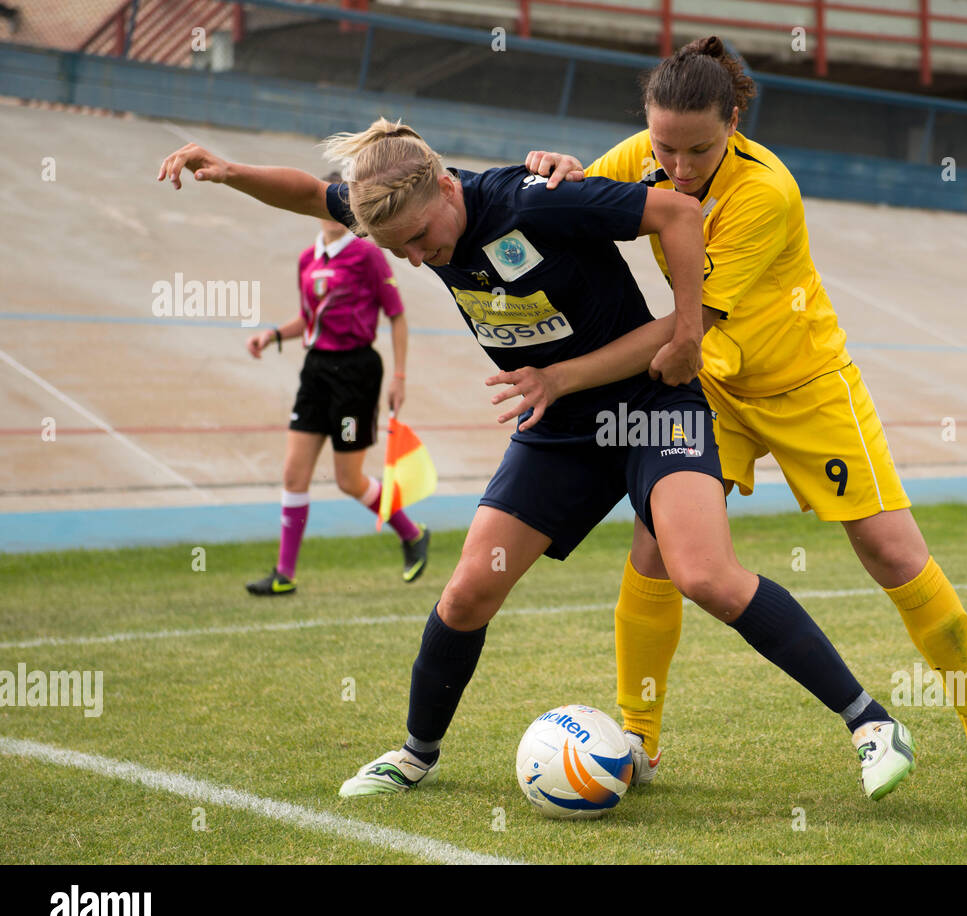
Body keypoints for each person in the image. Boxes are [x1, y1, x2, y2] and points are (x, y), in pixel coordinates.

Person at [156, 117, 918, 801]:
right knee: (463, 596)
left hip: (651, 407)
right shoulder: (402, 215)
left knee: (703, 575)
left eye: (423, 238)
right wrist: (228, 170)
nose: (420, 259)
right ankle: (416, 753)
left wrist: (687, 327)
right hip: (557, 426)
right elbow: (311, 194)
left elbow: (680, 212)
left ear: (449, 188)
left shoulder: (532, 201)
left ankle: (871, 724)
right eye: (400, 252)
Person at [525, 36, 967, 800]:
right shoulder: (647, 150)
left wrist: (586, 371)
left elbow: (686, 331)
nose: (677, 166)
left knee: (892, 553)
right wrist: (558, 173)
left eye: (698, 149)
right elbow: (576, 207)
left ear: (733, 122)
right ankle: (639, 740)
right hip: (715, 391)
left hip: (804, 384)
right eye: (664, 146)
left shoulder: (768, 192)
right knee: (656, 546)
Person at [242, 171, 429, 595]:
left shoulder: (368, 255)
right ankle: (285, 574)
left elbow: (397, 315)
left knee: (349, 480)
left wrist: (399, 376)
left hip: (357, 374)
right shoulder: (307, 259)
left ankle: (412, 534)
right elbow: (311, 318)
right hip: (316, 371)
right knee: (294, 474)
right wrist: (271, 335)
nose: (333, 214)